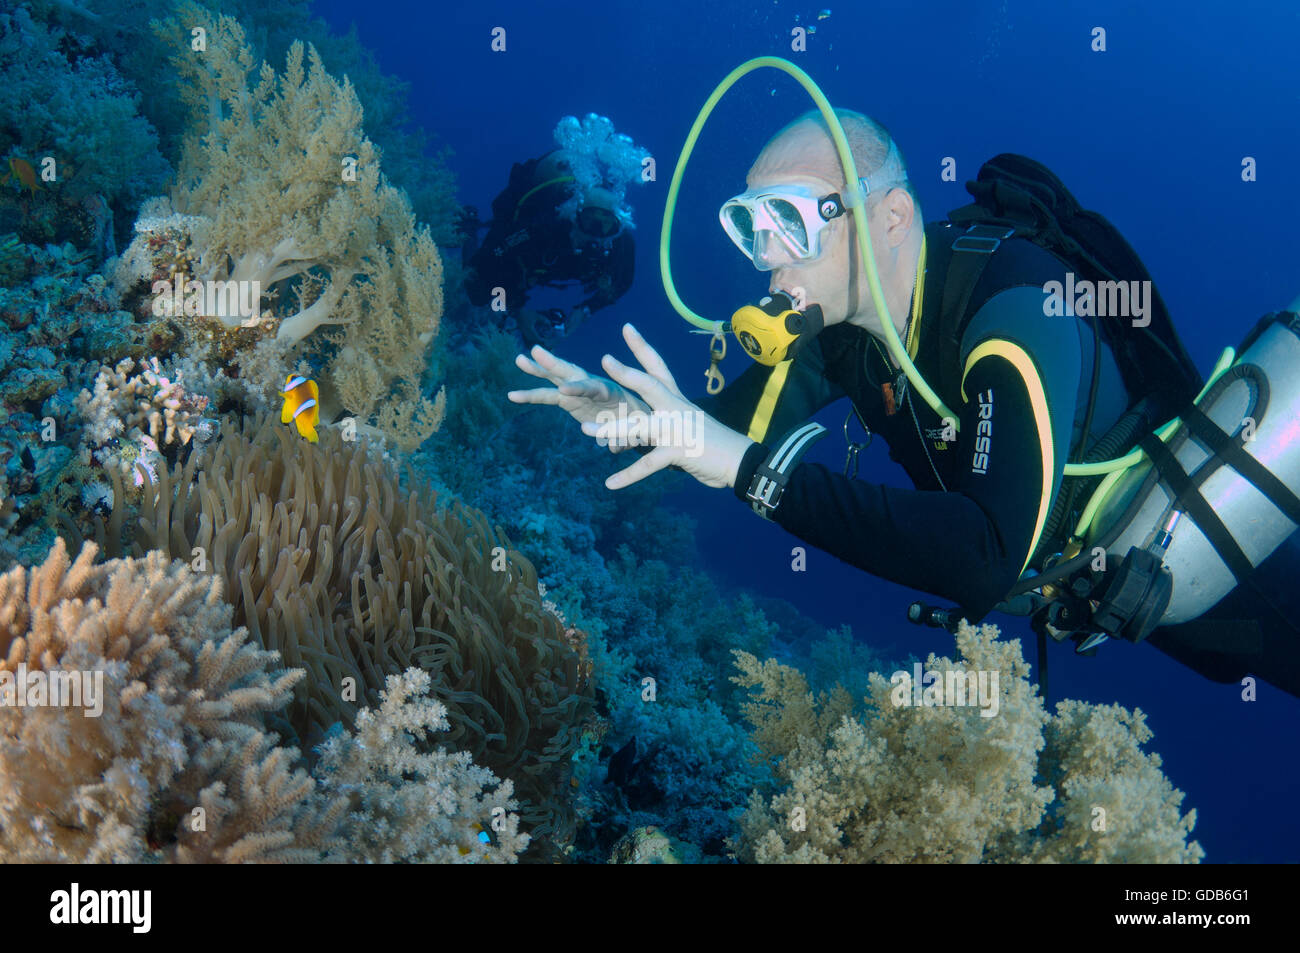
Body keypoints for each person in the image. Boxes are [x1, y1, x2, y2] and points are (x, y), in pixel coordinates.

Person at [507, 109, 1300, 699]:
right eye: (749, 227)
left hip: (1233, 551)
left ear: (889, 218)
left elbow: (983, 557)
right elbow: (716, 439)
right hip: (1144, 598)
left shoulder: (1014, 308)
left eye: (789, 219)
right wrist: (635, 414)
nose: (768, 261)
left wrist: (747, 472)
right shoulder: (844, 330)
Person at [462, 149, 635, 348]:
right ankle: (469, 226)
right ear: (575, 217)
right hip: (521, 261)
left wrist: (585, 310)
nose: (595, 233)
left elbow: (622, 283)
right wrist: (517, 312)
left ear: (617, 228)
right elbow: (484, 264)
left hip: (543, 269)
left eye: (606, 225)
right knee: (476, 292)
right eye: (589, 221)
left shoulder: (620, 245)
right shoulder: (542, 228)